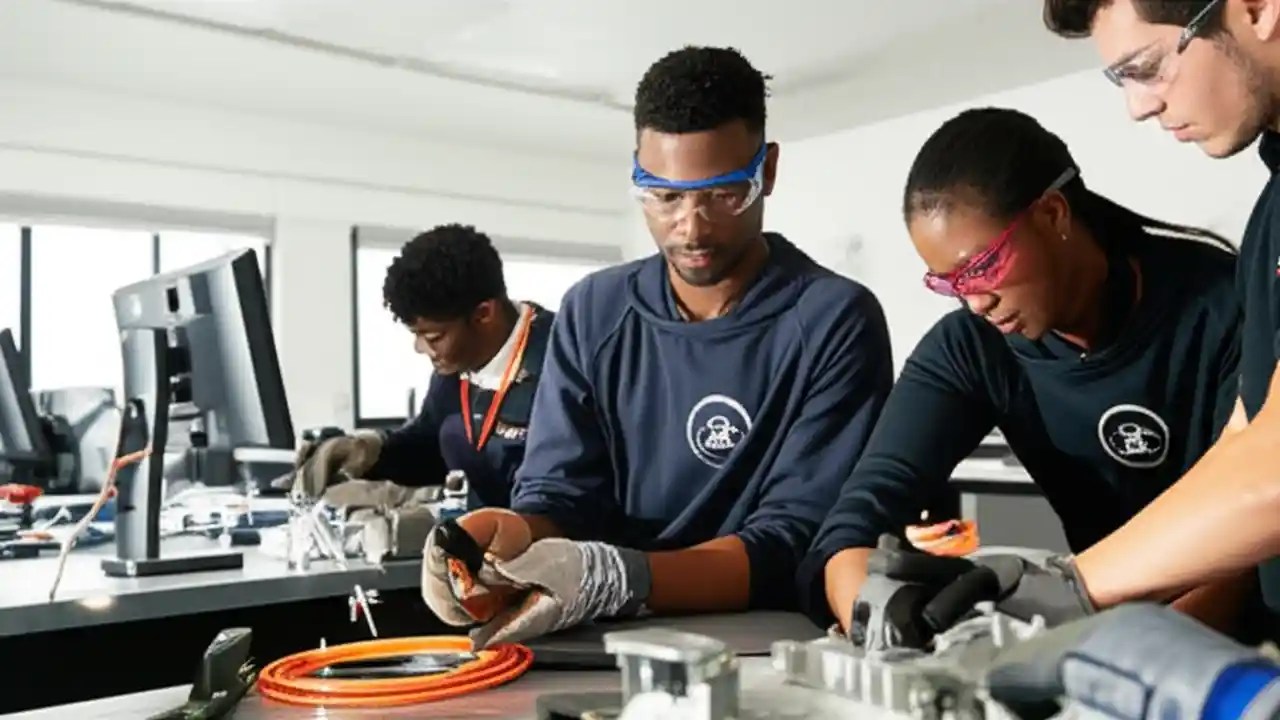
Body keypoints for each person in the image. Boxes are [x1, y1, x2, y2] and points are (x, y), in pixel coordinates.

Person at [419, 45, 894, 648]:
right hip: (606, 639)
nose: (691, 227)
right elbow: (562, 498)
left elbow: (794, 542)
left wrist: (626, 578)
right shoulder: (594, 310)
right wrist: (509, 536)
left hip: (764, 643)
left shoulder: (833, 320)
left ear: (768, 170)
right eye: (664, 196)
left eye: (724, 194)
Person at [803, 106, 1246, 644]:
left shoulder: (1226, 306)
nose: (975, 301)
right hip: (1104, 626)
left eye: (982, 267)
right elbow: (857, 519)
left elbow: (1247, 545)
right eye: (949, 283)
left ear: (1053, 214)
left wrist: (1114, 660)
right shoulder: (973, 346)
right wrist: (875, 618)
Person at [912, 0, 1280, 639]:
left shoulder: (1215, 292)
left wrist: (1069, 592)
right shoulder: (1269, 222)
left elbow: (1271, 473)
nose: (1139, 106)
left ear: (1256, 7)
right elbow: (1244, 447)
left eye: (1149, 67)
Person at [286, 223, 556, 509]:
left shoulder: (564, 359)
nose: (420, 348)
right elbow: (429, 446)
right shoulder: (457, 364)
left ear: (483, 314)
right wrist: (366, 451)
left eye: (433, 337)